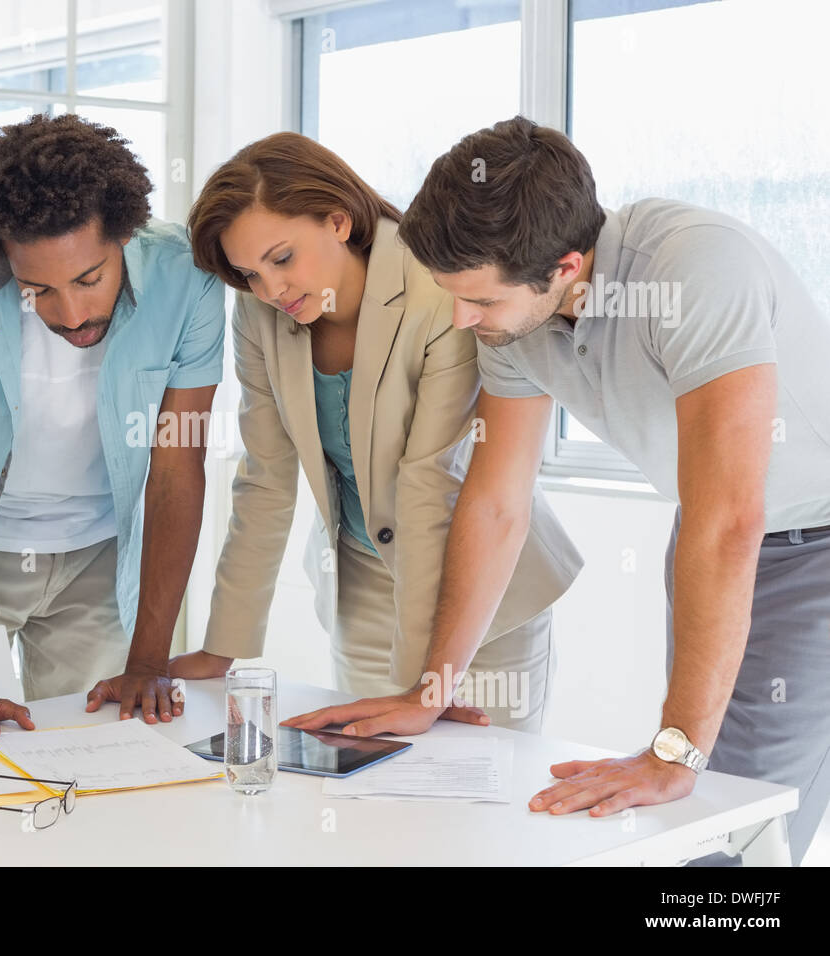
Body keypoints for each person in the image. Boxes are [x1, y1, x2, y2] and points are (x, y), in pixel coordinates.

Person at [308, 114, 830, 865]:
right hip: (717, 531)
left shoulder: (693, 269)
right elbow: (494, 503)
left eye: (480, 302)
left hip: (804, 537)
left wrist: (673, 750)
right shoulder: (516, 326)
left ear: (564, 265)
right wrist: (432, 688)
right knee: (701, 800)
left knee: (733, 819)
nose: (462, 320)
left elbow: (730, 518)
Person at [171, 132, 582, 733]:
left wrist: (426, 684)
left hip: (482, 595)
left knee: (478, 799)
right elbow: (264, 476)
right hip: (361, 583)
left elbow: (428, 482)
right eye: (247, 273)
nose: (270, 290)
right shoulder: (260, 315)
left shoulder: (435, 288)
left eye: (282, 259)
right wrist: (222, 647)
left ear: (338, 220)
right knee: (373, 796)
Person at [0, 113, 225, 749]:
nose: (71, 314)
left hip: (100, 552)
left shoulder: (187, 277)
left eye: (89, 279)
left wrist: (147, 662)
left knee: (84, 757)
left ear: (124, 235)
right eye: (38, 288)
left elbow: (178, 471)